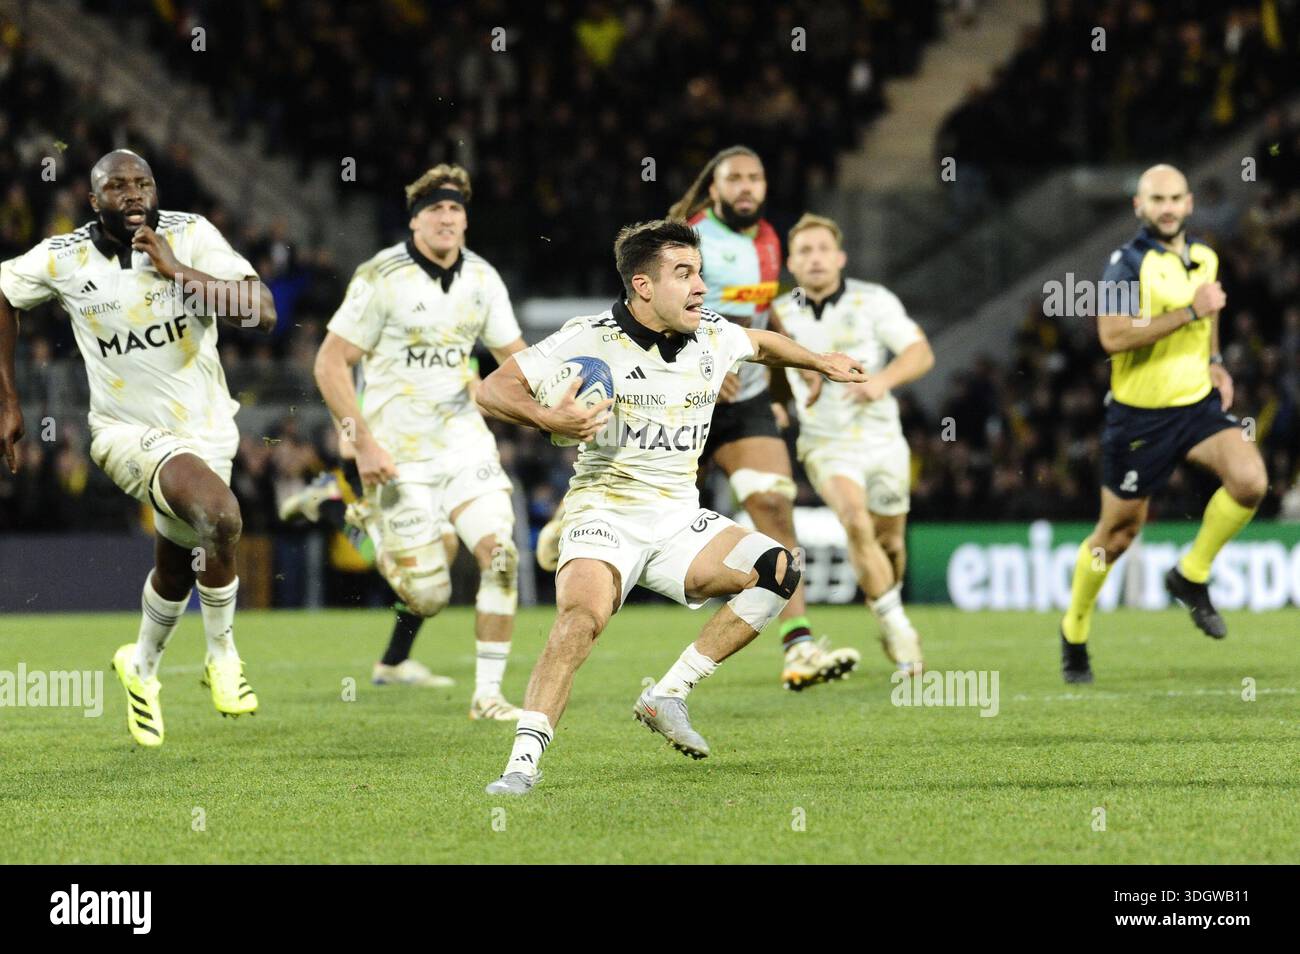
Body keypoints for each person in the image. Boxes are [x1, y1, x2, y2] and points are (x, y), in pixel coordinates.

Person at [475, 219, 867, 795]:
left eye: (700, 272)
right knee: (581, 621)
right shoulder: (588, 337)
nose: (701, 287)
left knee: (778, 569)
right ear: (643, 285)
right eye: (683, 274)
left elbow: (760, 344)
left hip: (679, 517)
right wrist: (550, 418)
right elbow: (493, 389)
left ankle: (668, 694)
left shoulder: (712, 334)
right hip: (605, 510)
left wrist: (819, 360)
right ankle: (521, 766)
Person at [0, 149, 275, 746]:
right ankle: (223, 658)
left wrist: (178, 271)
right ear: (92, 198)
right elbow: (2, 292)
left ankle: (141, 666)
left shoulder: (191, 236)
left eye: (142, 183)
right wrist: (8, 398)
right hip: (124, 433)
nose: (132, 194)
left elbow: (263, 312)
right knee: (221, 514)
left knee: (178, 567)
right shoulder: (63, 257)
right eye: (116, 186)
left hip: (207, 430)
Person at [311, 164, 526, 719]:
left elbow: (517, 360)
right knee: (429, 594)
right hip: (396, 455)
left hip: (464, 446)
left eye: (456, 209)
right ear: (414, 222)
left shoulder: (483, 278)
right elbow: (331, 361)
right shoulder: (380, 276)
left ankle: (489, 697)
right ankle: (356, 520)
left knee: (500, 558)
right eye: (435, 209)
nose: (447, 217)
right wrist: (363, 445)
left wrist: (556, 407)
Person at [1059, 164, 1267, 683]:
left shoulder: (1205, 256)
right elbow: (1112, 337)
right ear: (1140, 207)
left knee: (1251, 481)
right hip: (1138, 418)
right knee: (1118, 535)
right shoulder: (1124, 265)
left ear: (1190, 203)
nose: (1168, 206)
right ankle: (1075, 627)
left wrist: (1216, 360)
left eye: (1176, 197)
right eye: (1157, 199)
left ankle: (1190, 575)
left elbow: (1211, 313)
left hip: (1195, 405)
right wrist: (1189, 314)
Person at [670, 145, 859, 690]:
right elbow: (660, 310)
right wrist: (702, 358)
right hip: (683, 397)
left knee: (775, 504)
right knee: (647, 505)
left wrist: (799, 362)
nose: (747, 187)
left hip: (745, 397)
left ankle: (799, 646)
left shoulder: (771, 240)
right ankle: (575, 521)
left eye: (756, 177)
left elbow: (761, 311)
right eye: (736, 179)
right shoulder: (691, 238)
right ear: (715, 188)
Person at [773, 213, 934, 674]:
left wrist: (881, 381)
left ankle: (885, 608)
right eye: (804, 251)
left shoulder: (873, 300)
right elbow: (767, 365)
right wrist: (780, 403)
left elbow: (920, 352)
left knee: (890, 546)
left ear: (840, 257)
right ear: (791, 263)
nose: (815, 258)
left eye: (823, 248)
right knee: (854, 521)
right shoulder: (780, 313)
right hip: (826, 443)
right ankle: (901, 630)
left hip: (883, 440)